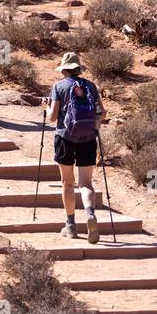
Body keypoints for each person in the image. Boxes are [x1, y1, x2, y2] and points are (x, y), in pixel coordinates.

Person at [45, 52, 105, 243]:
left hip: (64, 138)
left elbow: (53, 117)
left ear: (63, 69)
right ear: (78, 69)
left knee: (67, 183)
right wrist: (94, 129)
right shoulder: (90, 86)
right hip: (88, 139)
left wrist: (46, 107)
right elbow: (101, 113)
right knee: (86, 183)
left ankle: (70, 225)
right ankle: (90, 214)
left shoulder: (58, 86)